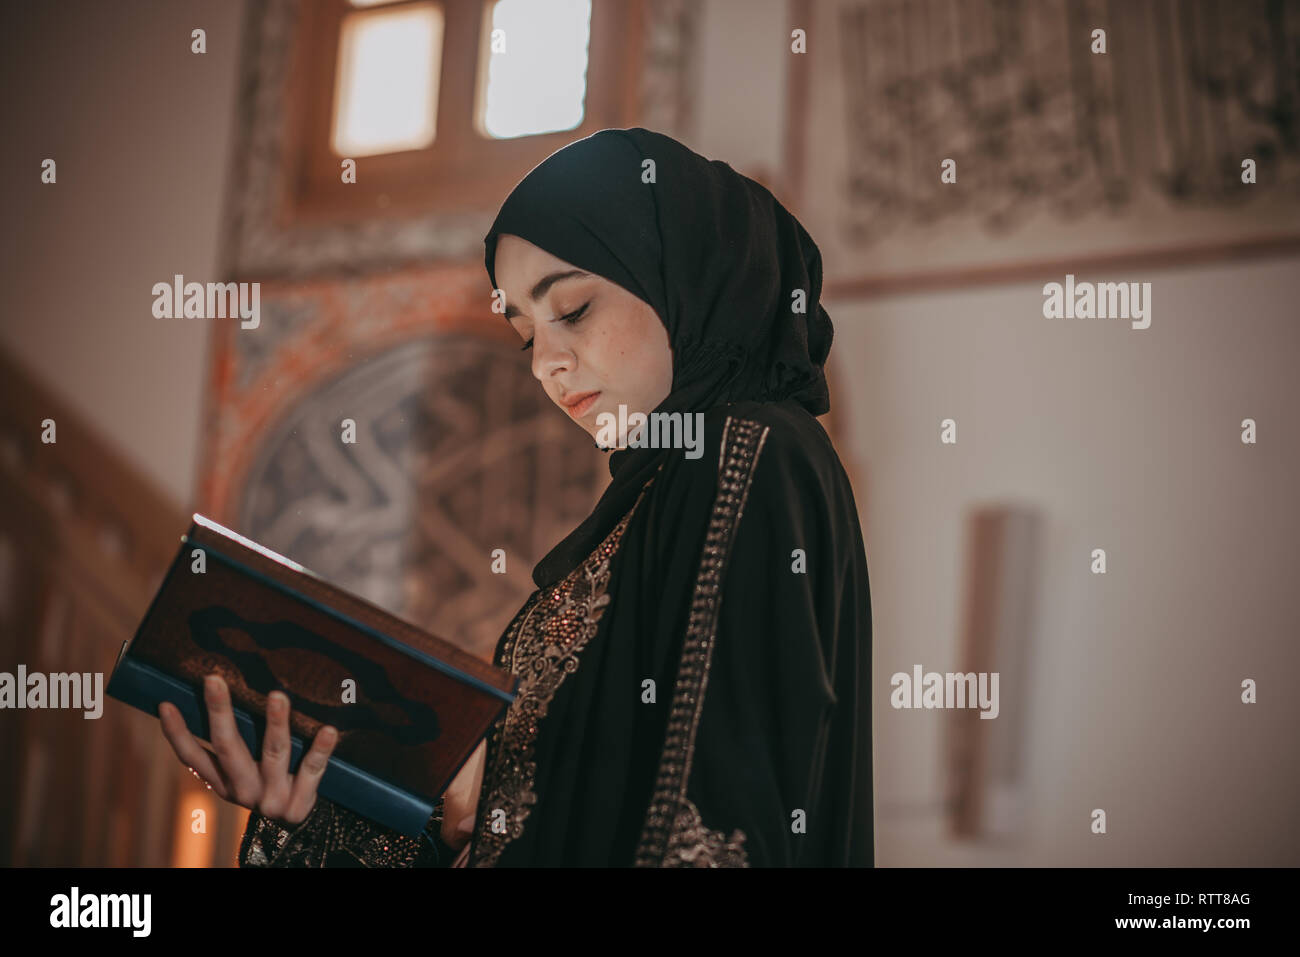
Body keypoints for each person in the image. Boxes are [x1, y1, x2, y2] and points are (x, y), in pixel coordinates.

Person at [159, 126, 874, 867]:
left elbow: (716, 822)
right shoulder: (652, 500)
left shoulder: (749, 449)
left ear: (681, 275)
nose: (548, 366)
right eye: (526, 335)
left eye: (570, 308)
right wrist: (317, 805)